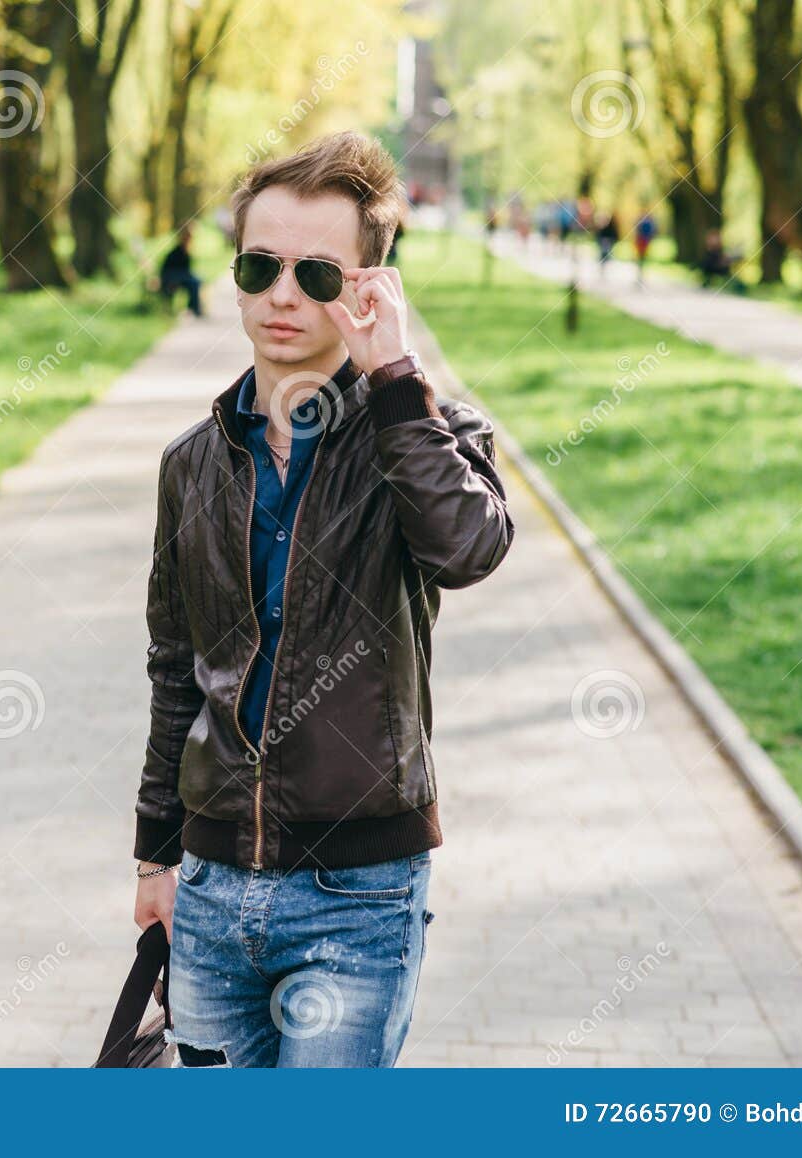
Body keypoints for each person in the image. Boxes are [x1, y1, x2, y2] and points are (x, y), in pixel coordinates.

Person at [131, 130, 516, 1068]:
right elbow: (174, 668)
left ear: (370, 286)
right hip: (215, 892)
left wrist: (394, 376)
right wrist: (155, 855)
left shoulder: (424, 431)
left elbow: (469, 548)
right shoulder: (193, 463)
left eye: (318, 273)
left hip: (359, 896)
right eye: (260, 265)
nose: (284, 295)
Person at [158, 223, 205, 317]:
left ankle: (193, 308)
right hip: (172, 278)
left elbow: (186, 270)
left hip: (180, 277)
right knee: (194, 283)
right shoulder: (176, 252)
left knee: (196, 281)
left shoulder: (185, 251)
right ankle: (194, 309)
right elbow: (169, 270)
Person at [632, 212, 657, 285]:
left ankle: (640, 274)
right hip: (645, 241)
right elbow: (653, 232)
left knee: (640, 258)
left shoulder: (641, 222)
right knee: (642, 258)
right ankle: (641, 273)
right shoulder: (649, 223)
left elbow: (636, 231)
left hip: (641, 241)